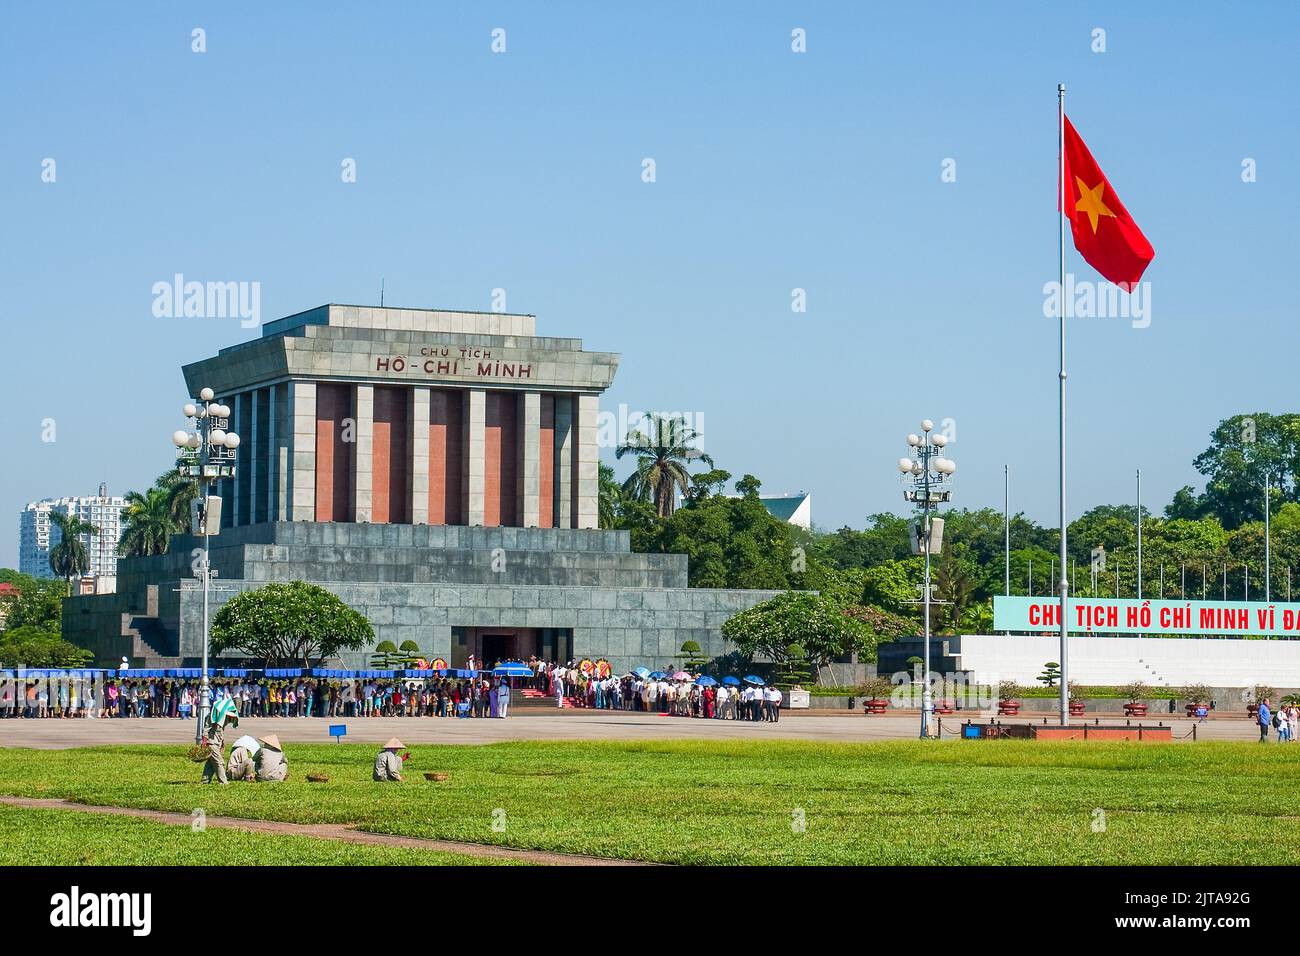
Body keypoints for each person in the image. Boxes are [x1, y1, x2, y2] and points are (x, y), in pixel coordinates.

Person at [202, 697, 239, 784]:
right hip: (211, 742)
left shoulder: (223, 718)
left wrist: (222, 743)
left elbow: (221, 731)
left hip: (217, 743)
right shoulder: (211, 716)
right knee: (219, 762)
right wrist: (204, 741)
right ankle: (223, 782)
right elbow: (206, 729)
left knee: (211, 763)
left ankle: (205, 781)